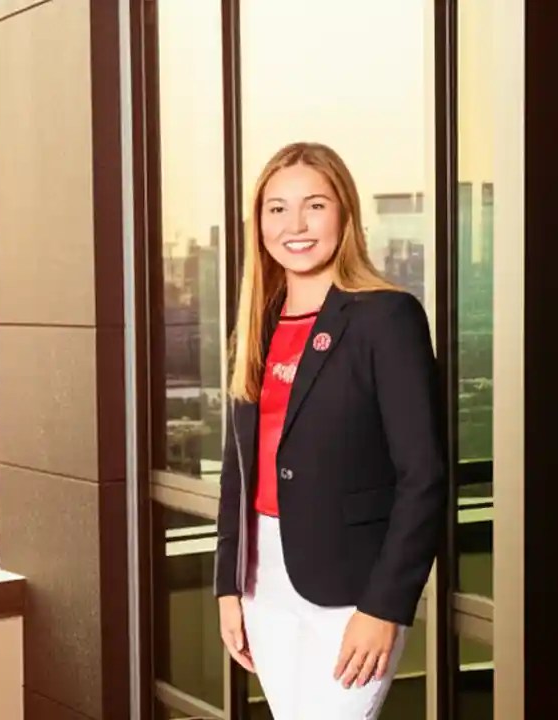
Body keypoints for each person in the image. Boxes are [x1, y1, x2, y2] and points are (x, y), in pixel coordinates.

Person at [213, 141, 447, 718]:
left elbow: (424, 477)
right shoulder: (258, 324)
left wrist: (385, 607)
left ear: (343, 214)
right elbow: (238, 471)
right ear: (259, 223)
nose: (294, 224)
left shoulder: (385, 317)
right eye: (276, 208)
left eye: (313, 205)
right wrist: (226, 586)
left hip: (350, 588)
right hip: (260, 580)